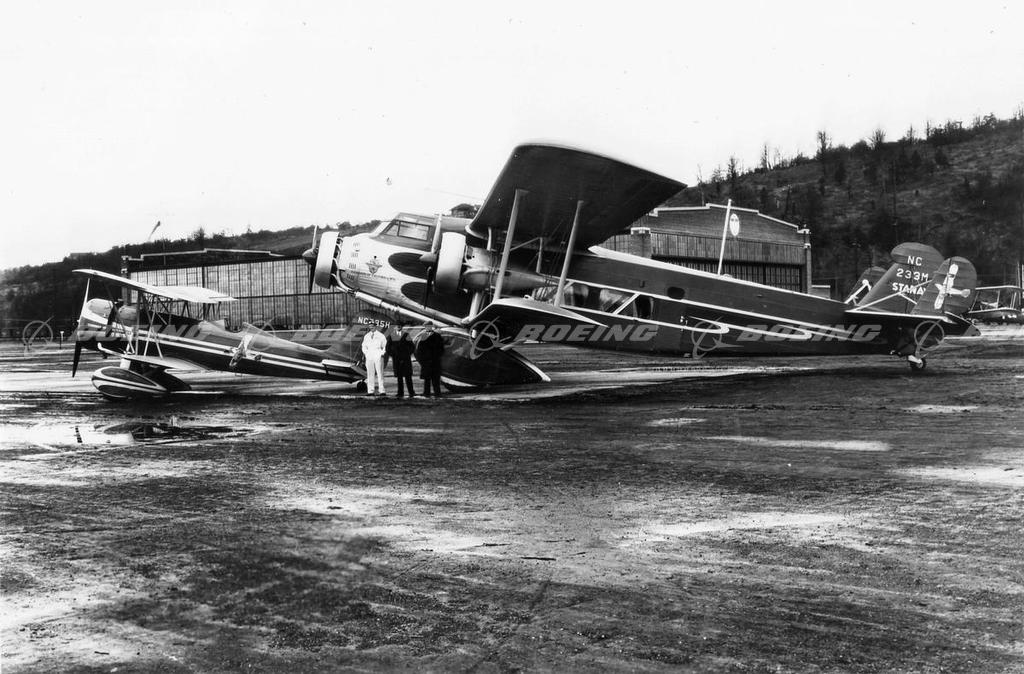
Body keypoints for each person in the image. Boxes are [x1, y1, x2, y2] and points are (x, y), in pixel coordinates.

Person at [415, 323, 445, 397]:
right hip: (426, 362)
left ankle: (437, 393)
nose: (428, 328)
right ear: (425, 327)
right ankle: (426, 393)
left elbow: (441, 349)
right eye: (427, 326)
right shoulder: (423, 336)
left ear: (431, 327)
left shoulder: (437, 336)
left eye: (429, 326)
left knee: (436, 380)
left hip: (435, 361)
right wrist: (422, 361)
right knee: (427, 380)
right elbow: (419, 350)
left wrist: (437, 357)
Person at [386, 326, 416, 398]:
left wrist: (407, 354)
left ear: (401, 327)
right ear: (395, 327)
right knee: (399, 377)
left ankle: (411, 392)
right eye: (397, 326)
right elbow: (388, 348)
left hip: (406, 359)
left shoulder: (406, 335)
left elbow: (412, 346)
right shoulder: (392, 336)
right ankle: (400, 393)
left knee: (408, 377)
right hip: (397, 360)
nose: (398, 327)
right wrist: (393, 355)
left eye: (399, 325)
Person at [361, 325, 388, 396]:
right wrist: (366, 353)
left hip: (377, 354)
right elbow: (363, 346)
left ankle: (382, 390)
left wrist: (381, 353)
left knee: (380, 373)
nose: (371, 327)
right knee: (370, 373)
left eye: (372, 326)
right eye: (370, 326)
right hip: (369, 355)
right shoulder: (366, 336)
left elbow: (385, 346)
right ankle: (370, 391)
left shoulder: (381, 335)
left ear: (375, 327)